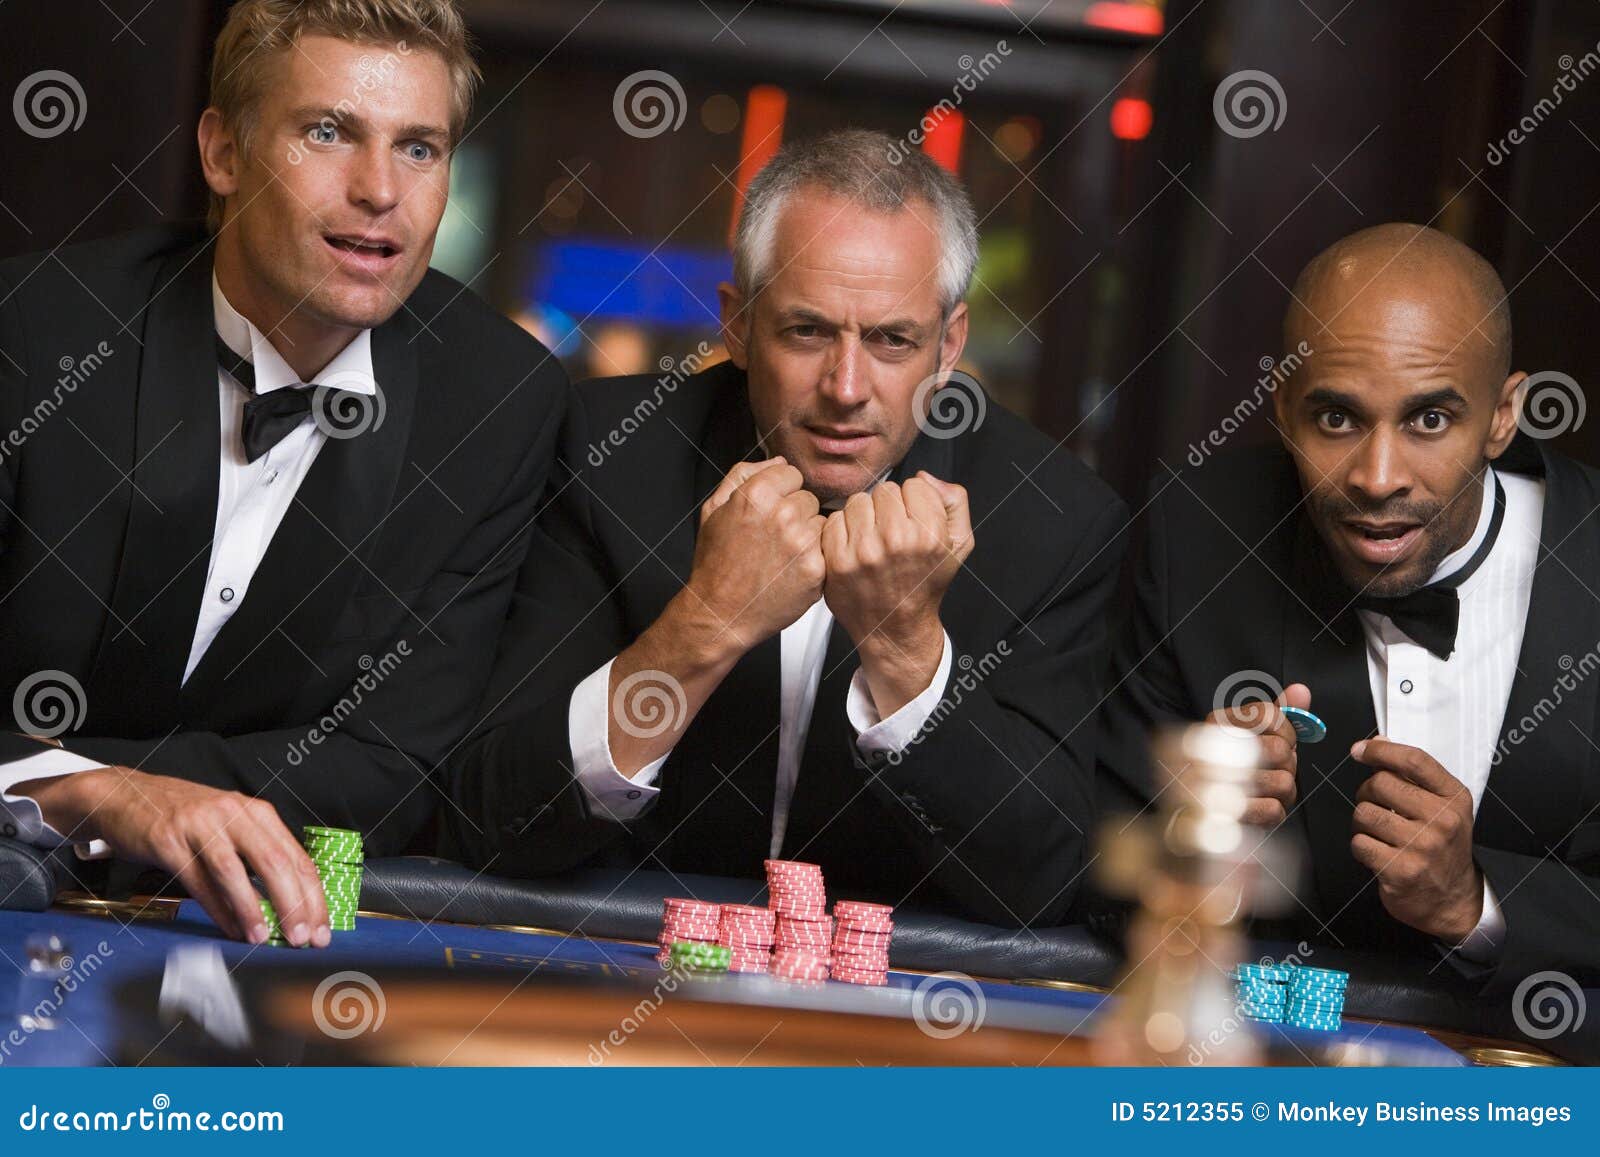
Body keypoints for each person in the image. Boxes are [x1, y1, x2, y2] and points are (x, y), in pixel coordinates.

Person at [442, 129, 1129, 927]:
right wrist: (703, 626)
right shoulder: (605, 456)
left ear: (948, 346)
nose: (846, 387)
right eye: (807, 331)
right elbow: (487, 819)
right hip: (612, 983)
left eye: (891, 340)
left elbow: (1041, 883)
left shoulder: (1057, 519)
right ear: (736, 324)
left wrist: (907, 651)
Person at [0, 0, 566, 947]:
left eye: (419, 148)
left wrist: (146, 791)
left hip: (241, 953)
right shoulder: (32, 336)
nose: (380, 189)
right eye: (328, 132)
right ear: (223, 154)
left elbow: (390, 762)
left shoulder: (500, 401)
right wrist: (79, 791)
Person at [1098, 223, 1600, 989]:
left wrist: (1475, 900)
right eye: (1337, 418)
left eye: (1430, 419)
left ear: (1502, 415)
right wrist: (1197, 833)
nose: (1377, 476)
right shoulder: (1198, 537)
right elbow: (1089, 882)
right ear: (1283, 407)